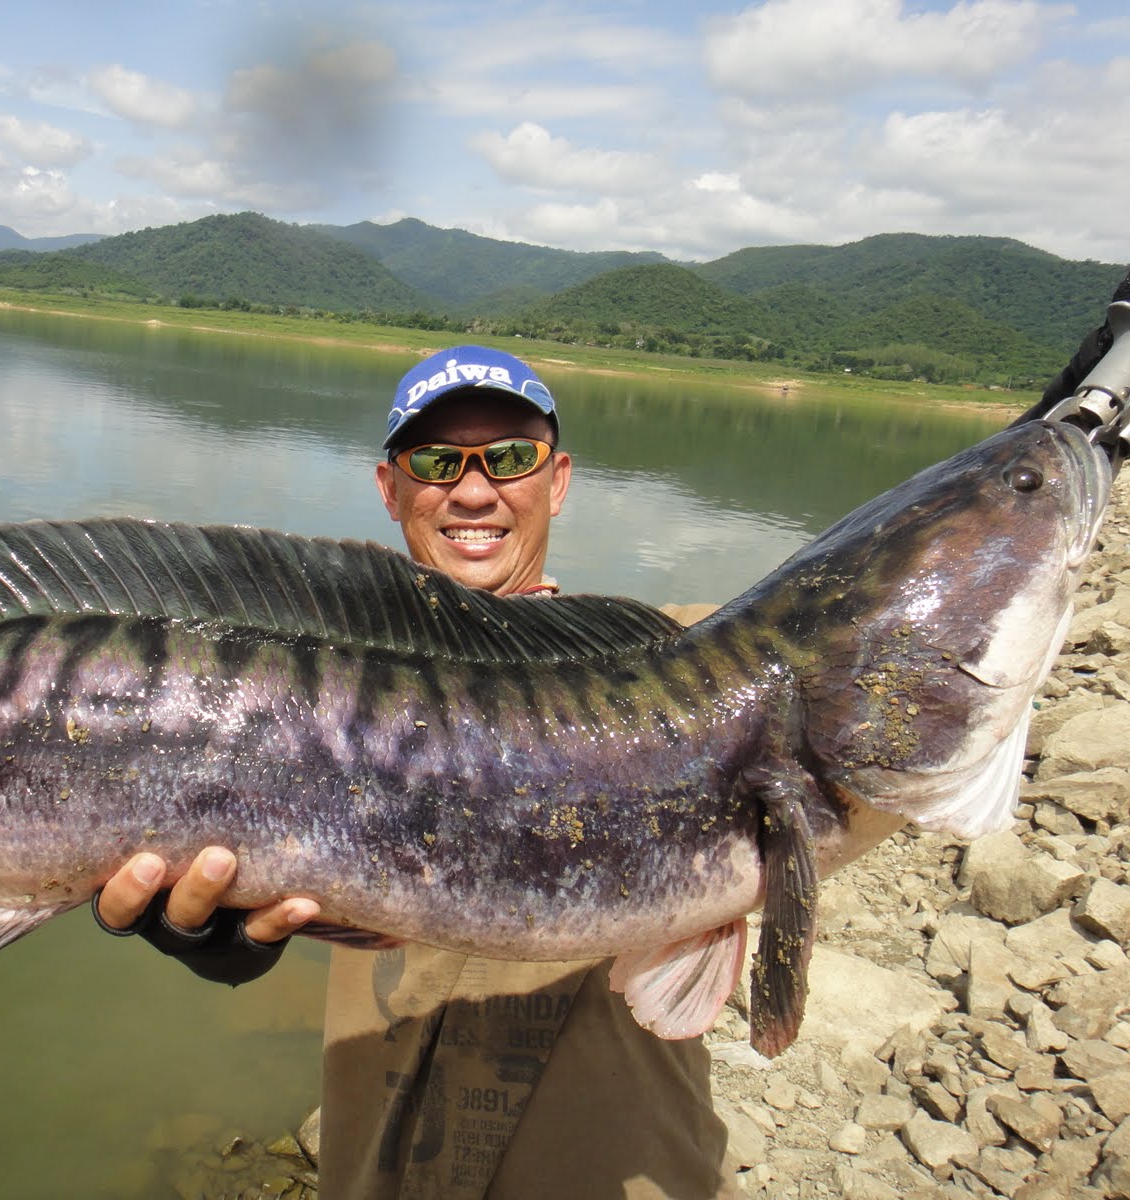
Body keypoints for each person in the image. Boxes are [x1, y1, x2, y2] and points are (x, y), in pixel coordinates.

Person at [94, 345, 737, 1198]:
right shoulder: (309, 688)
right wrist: (225, 940)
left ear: (560, 479)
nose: (474, 492)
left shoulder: (676, 672)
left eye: (511, 458)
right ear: (390, 490)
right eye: (436, 464)